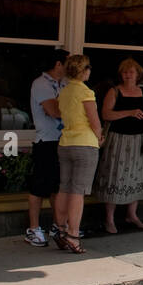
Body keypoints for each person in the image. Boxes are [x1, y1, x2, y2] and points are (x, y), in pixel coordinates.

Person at [96, 57, 143, 234]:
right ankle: (109, 219)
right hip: (119, 140)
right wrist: (129, 112)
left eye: (131, 72)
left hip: (139, 141)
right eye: (125, 72)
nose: (128, 75)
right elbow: (106, 114)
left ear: (138, 74)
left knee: (137, 176)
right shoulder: (115, 91)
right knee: (115, 175)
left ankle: (132, 215)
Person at [54, 54, 102, 254]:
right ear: (83, 70)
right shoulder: (86, 92)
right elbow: (94, 121)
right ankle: (73, 234)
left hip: (65, 143)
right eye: (88, 67)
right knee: (78, 191)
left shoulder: (64, 92)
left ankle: (61, 229)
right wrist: (99, 137)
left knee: (64, 187)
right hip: (85, 143)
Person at [25, 50, 68, 246]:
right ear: (58, 64)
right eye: (68, 62)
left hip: (63, 139)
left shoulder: (65, 83)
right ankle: (33, 229)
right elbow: (54, 110)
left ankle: (58, 226)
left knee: (57, 187)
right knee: (39, 186)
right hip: (46, 140)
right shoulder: (41, 84)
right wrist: (73, 110)